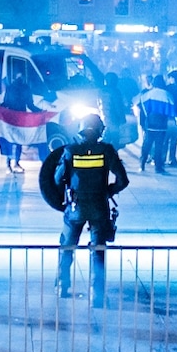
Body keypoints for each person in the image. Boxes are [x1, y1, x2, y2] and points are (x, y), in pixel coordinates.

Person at [54, 113, 129, 307]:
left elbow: (55, 179)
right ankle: (97, 295)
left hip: (75, 207)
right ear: (100, 131)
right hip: (99, 207)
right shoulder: (107, 150)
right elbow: (123, 180)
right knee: (98, 250)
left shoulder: (71, 150)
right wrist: (107, 191)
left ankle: (63, 286)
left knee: (67, 246)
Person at [0, 61, 36, 174]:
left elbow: (6, 103)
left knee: (10, 140)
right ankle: (16, 163)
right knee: (19, 141)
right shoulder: (26, 88)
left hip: (10, 118)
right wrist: (40, 112)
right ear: (22, 76)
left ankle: (8, 164)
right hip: (21, 118)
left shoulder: (10, 88)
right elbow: (30, 104)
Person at [136, 75, 175, 173]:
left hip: (150, 124)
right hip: (162, 125)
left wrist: (145, 119)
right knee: (159, 146)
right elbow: (172, 110)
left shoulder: (148, 94)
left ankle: (142, 163)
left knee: (147, 144)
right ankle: (158, 167)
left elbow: (141, 106)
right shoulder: (167, 95)